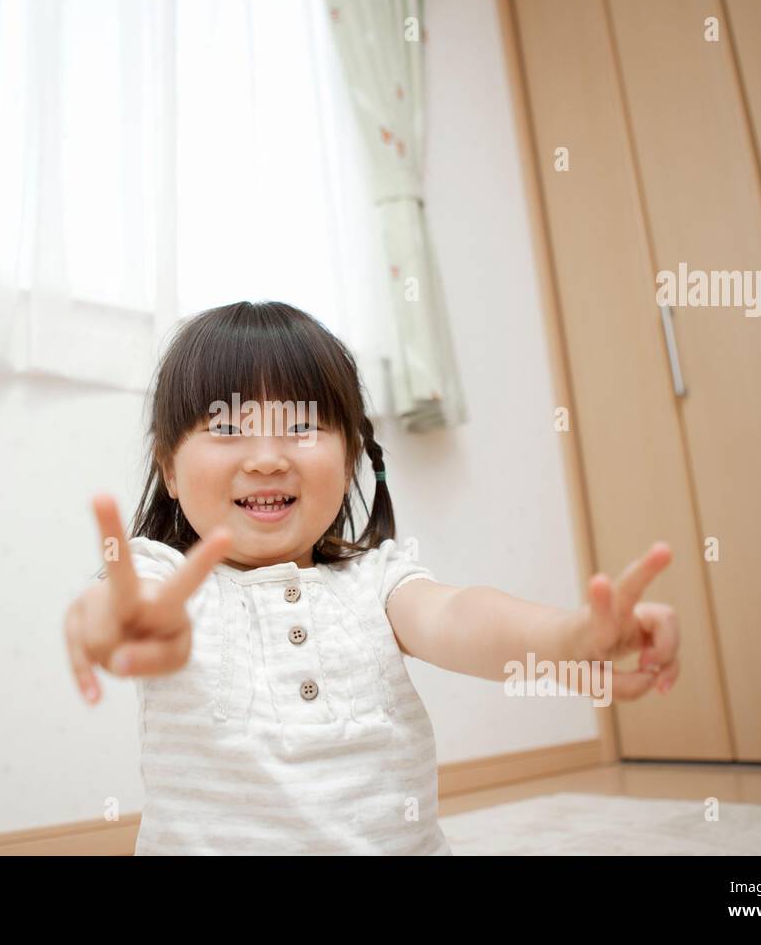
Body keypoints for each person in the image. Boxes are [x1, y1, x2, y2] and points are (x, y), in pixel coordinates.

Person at [63, 300, 680, 854]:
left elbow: (457, 615)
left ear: (352, 453)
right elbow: (118, 610)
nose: (267, 457)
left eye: (302, 427)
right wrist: (115, 625)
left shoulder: (375, 580)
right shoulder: (162, 575)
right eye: (227, 429)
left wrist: (567, 640)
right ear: (169, 468)